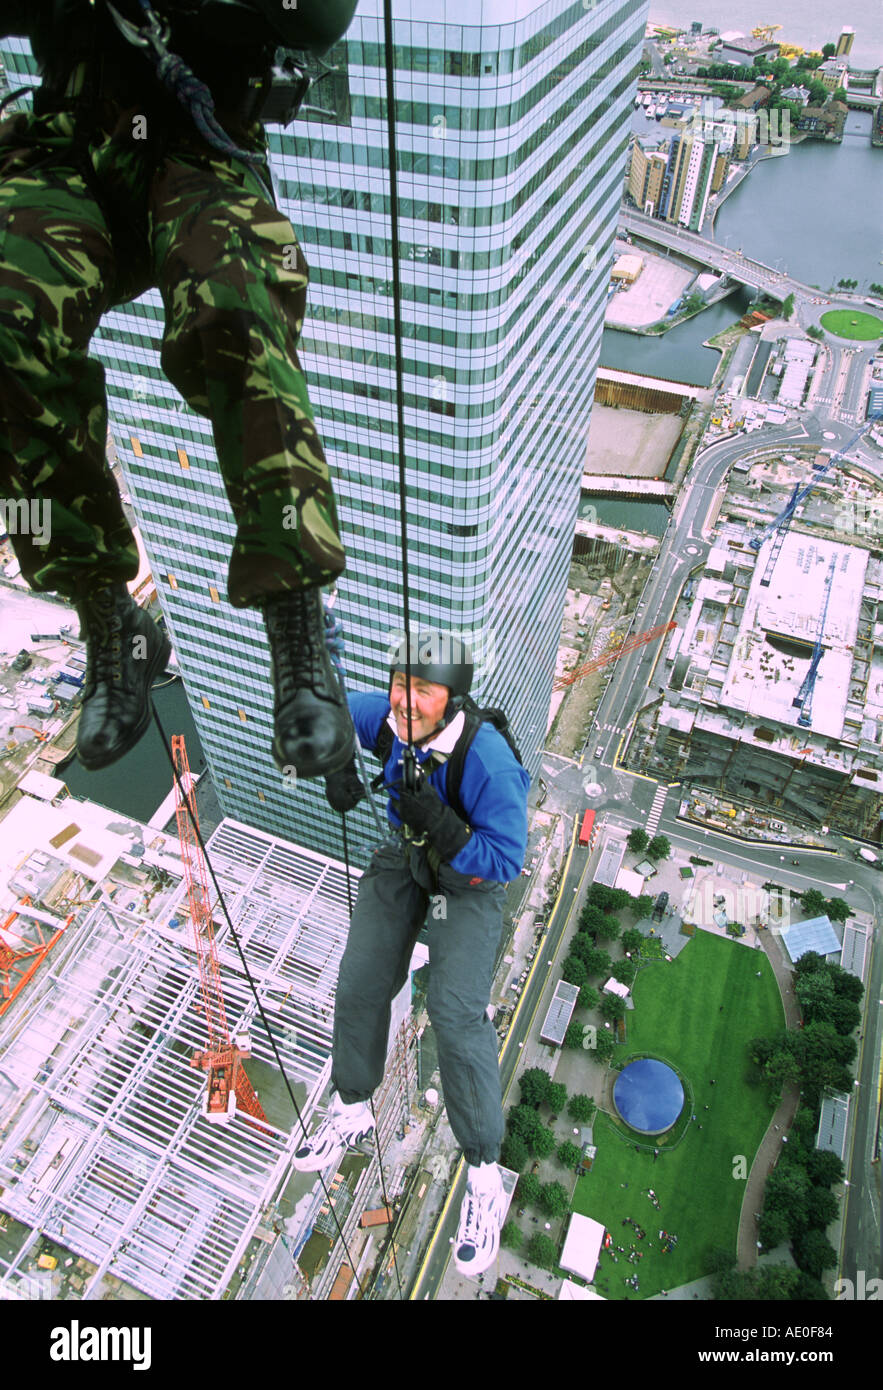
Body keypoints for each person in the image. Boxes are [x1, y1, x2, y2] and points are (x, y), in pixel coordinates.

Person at [0, 0, 359, 778]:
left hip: (199, 147)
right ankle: (108, 614)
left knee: (234, 299)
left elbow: (318, 17)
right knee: (4, 324)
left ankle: (294, 619)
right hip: (69, 150)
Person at [293, 631, 531, 1279]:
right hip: (406, 853)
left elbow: (505, 860)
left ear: (451, 700)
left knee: (455, 1015)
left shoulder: (485, 761)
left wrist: (450, 829)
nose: (404, 700)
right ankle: (351, 1106)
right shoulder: (390, 718)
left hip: (466, 880)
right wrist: (340, 763)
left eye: (422, 690)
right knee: (361, 978)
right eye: (400, 685)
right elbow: (328, 705)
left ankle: (482, 1173)